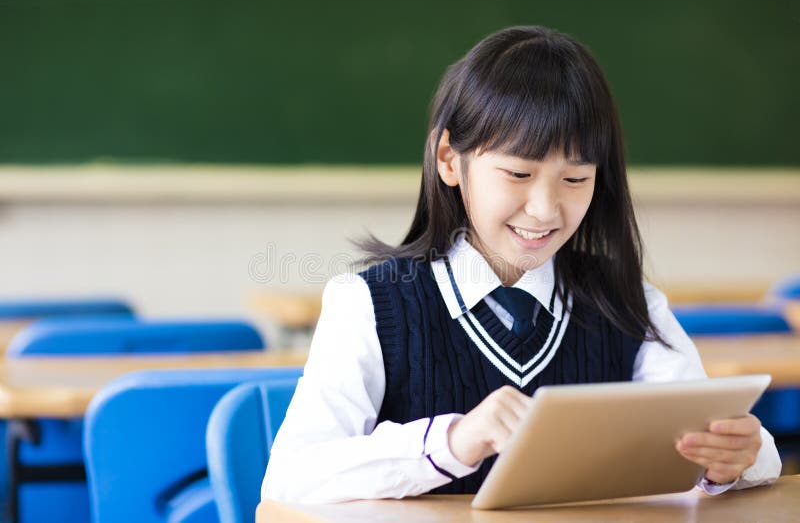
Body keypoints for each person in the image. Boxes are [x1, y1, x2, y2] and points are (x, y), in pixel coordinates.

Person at [262, 25, 781, 503]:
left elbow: (717, 436)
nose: (545, 209)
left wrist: (736, 458)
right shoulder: (371, 306)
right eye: (517, 174)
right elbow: (291, 476)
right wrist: (453, 441)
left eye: (575, 180)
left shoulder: (626, 301)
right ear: (449, 159)